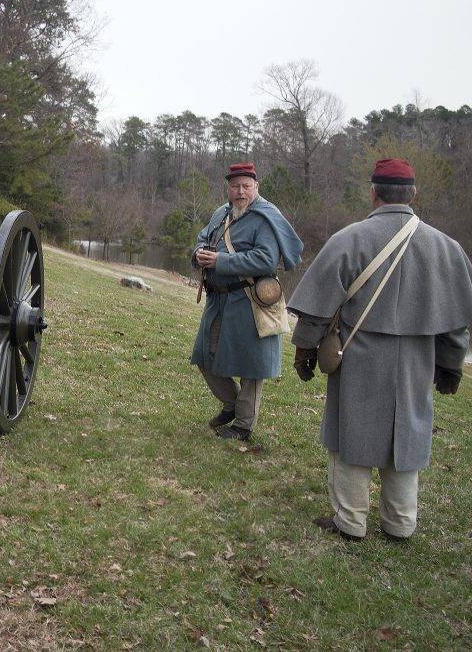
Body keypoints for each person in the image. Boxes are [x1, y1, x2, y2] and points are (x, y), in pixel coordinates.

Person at [288, 158, 472, 541]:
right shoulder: (447, 249)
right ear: (413, 194)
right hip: (417, 361)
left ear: (373, 192)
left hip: (359, 355)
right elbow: (456, 322)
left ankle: (351, 522)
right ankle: (400, 524)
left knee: (350, 432)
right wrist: (451, 366)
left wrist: (305, 350)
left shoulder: (349, 239)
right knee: (408, 434)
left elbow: (317, 308)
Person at [190, 162, 303, 441]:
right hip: (220, 301)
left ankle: (243, 425)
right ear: (228, 188)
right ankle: (231, 404)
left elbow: (266, 259)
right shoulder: (221, 213)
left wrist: (222, 260)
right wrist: (199, 253)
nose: (240, 192)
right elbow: (203, 239)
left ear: (256, 187)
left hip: (251, 301)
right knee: (205, 356)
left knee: (252, 367)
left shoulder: (265, 218)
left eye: (245, 186)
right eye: (235, 186)